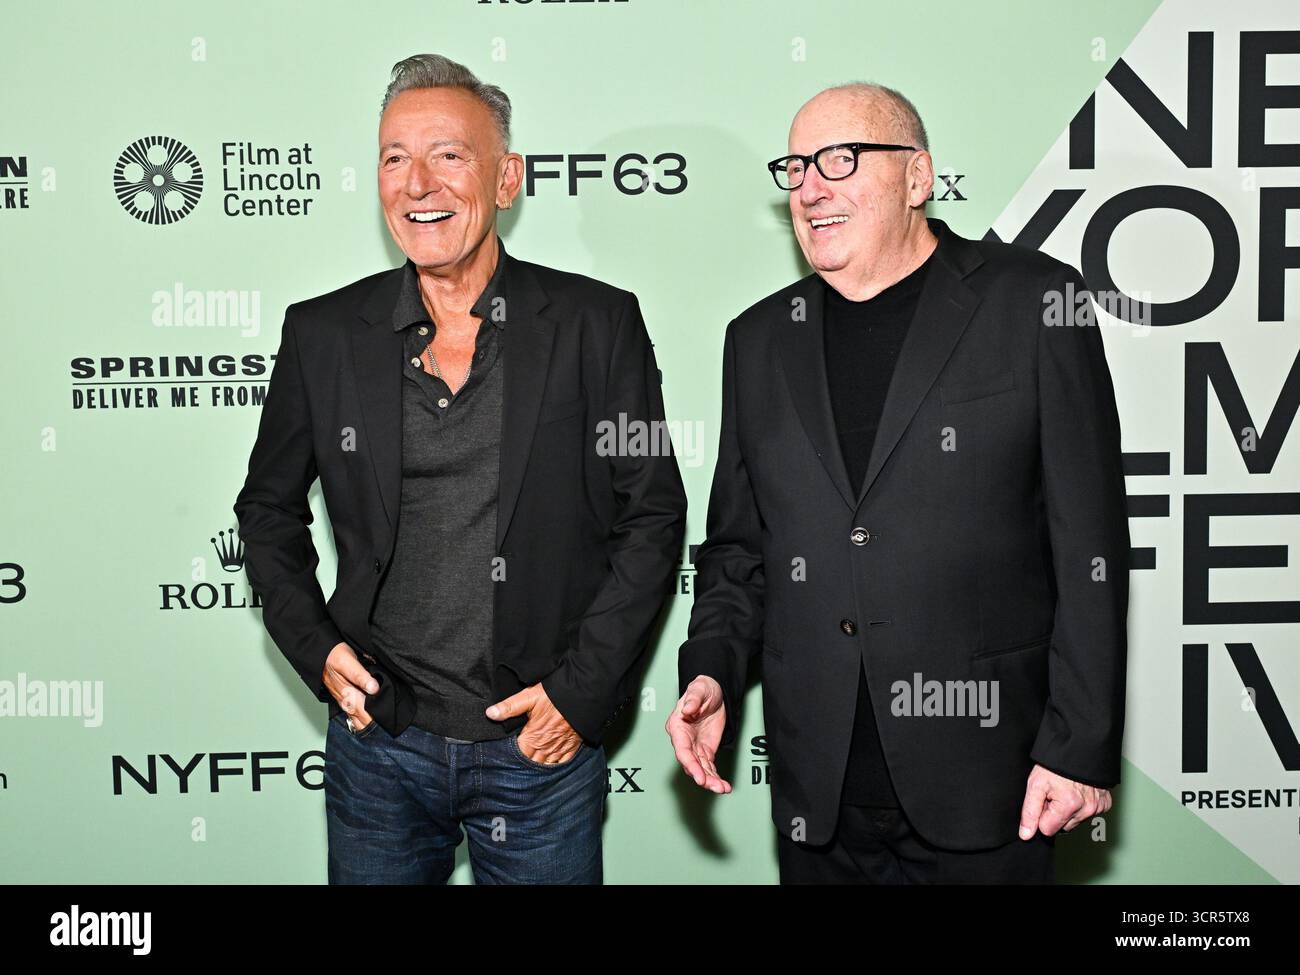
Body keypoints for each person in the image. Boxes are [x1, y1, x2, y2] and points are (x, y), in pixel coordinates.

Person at [235, 53, 686, 884]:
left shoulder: (596, 325)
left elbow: (651, 517)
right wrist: (314, 642)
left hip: (535, 750)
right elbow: (266, 510)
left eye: (449, 155)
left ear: (506, 178)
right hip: (380, 748)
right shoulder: (324, 333)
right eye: (394, 158)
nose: (417, 183)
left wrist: (578, 698)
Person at [667, 82, 1129, 884]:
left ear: (918, 178)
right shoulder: (759, 339)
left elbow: (1090, 543)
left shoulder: (1035, 304)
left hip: (997, 785)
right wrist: (708, 669)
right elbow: (740, 551)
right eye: (797, 166)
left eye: (841, 159)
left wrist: (1080, 744)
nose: (811, 185)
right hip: (821, 799)